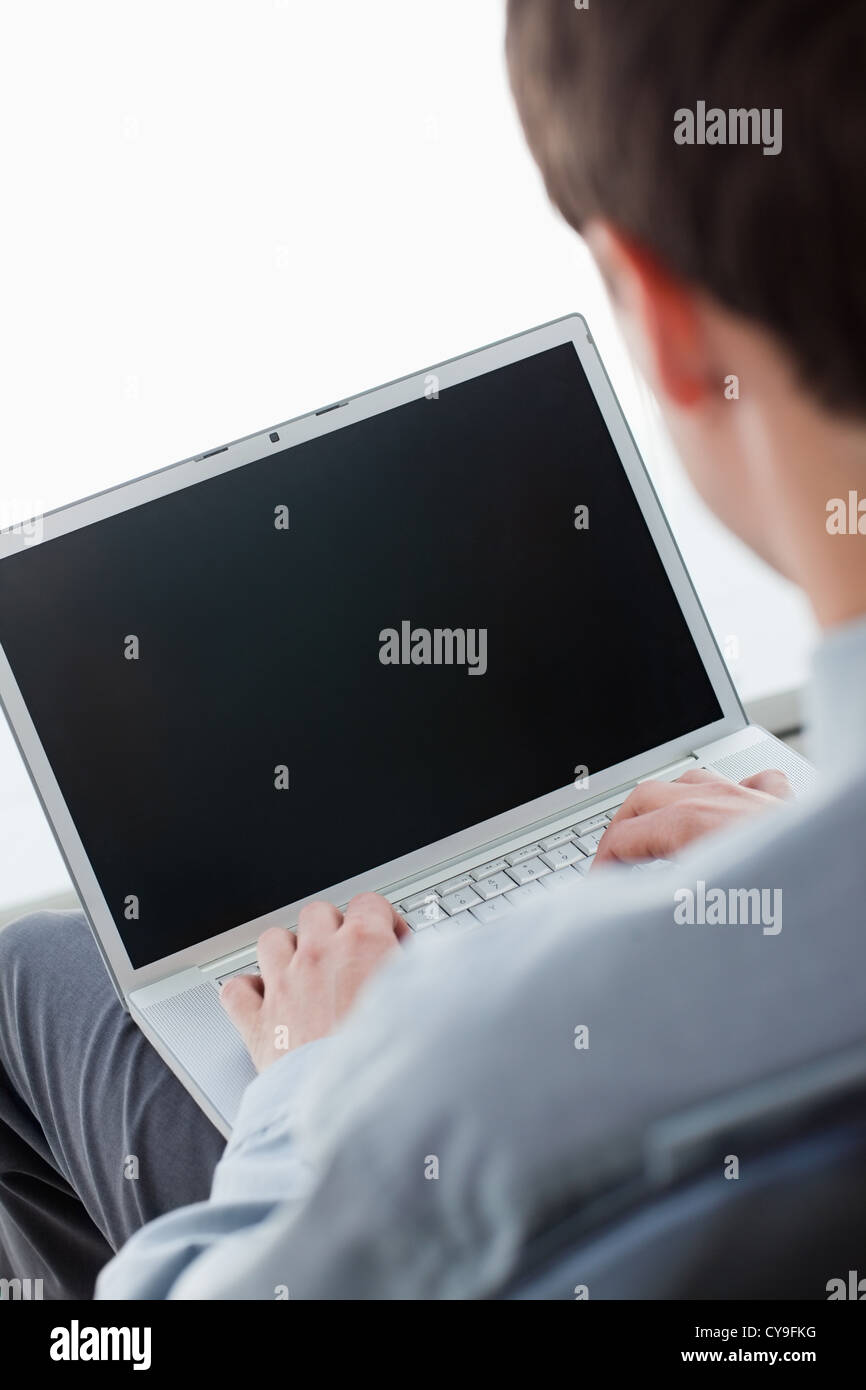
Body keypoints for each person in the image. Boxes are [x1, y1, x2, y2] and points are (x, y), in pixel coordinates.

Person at [2, 0, 865, 1299]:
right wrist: (800, 851)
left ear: (660, 317)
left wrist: (312, 1078)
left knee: (19, 978)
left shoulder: (464, 1081)